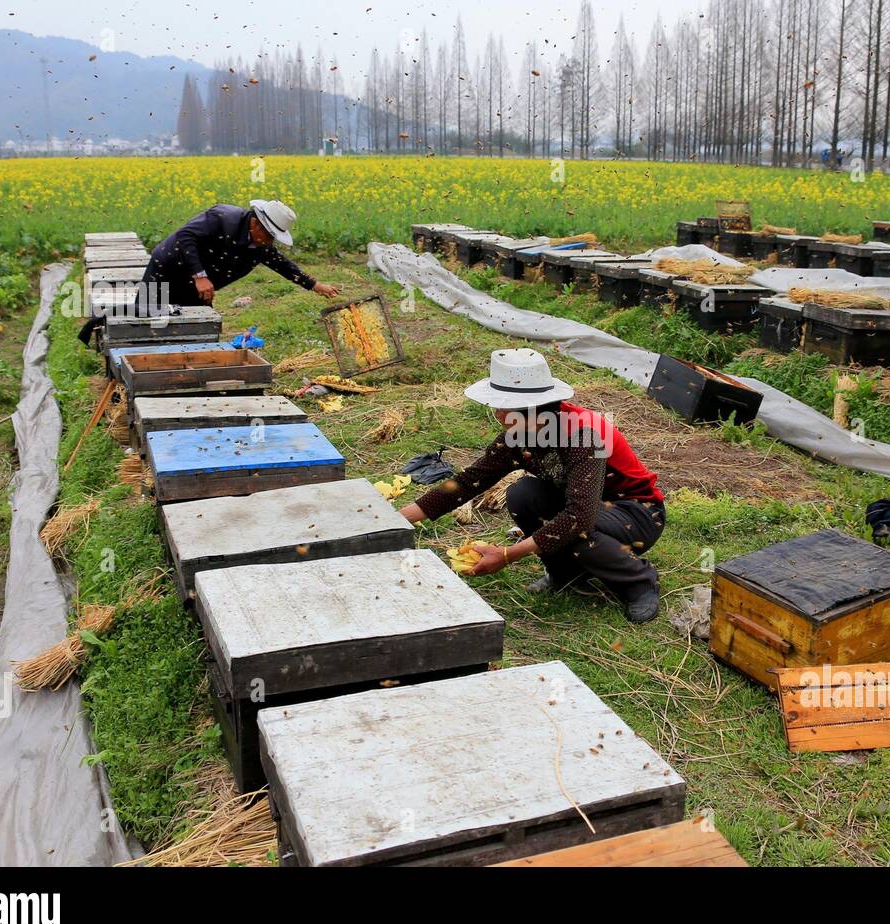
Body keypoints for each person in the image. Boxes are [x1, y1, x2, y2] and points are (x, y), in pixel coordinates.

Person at [399, 348, 667, 623]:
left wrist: (506, 555)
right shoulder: (518, 435)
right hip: (587, 507)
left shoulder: (583, 436)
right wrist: (397, 520)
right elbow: (468, 482)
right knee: (522, 493)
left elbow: (578, 518)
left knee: (575, 528)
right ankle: (565, 573)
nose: (499, 414)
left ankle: (639, 581)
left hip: (636, 512)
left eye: (502, 408)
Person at [78, 199, 340, 343]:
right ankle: (114, 360)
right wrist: (200, 275)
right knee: (145, 320)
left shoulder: (260, 247)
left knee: (190, 329)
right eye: (269, 235)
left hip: (196, 286)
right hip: (168, 268)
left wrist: (314, 285)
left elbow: (282, 264)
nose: (270, 242)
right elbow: (185, 237)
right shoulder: (222, 217)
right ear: (256, 223)